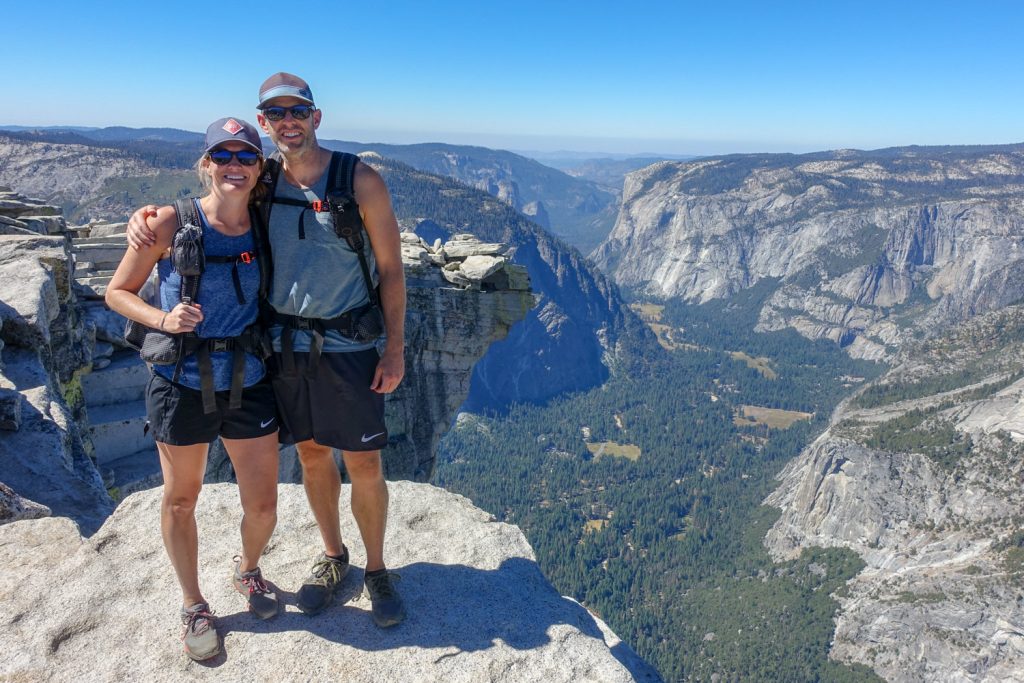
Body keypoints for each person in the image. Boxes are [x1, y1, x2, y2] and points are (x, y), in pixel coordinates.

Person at [127, 73, 408, 628]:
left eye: (297, 111)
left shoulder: (361, 179)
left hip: (350, 342)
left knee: (366, 463)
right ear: (265, 123)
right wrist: (146, 217)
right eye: (276, 114)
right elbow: (211, 202)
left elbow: (393, 269)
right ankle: (334, 557)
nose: (288, 122)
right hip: (281, 347)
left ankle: (377, 570)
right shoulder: (262, 178)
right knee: (309, 455)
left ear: (316, 116)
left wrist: (394, 348)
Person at [109, 117, 281, 660]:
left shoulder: (267, 219)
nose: (235, 165)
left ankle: (247, 570)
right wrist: (163, 320)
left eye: (246, 156)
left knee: (264, 508)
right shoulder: (167, 223)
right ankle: (193, 603)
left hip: (248, 380)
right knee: (182, 499)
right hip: (179, 381)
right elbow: (118, 292)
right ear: (205, 164)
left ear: (259, 168)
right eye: (223, 155)